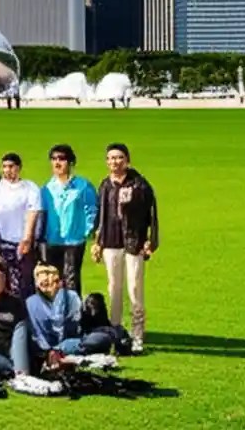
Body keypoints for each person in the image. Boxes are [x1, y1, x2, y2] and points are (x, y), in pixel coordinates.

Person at [92, 142, 158, 353]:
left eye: (119, 157)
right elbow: (100, 215)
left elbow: (152, 215)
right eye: (111, 158)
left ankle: (137, 335)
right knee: (114, 289)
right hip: (111, 241)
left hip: (134, 242)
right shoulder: (105, 185)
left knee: (135, 290)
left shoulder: (140, 185)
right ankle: (116, 332)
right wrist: (97, 241)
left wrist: (150, 240)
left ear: (127, 160)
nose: (115, 162)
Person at [26, 264, 115, 367]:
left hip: (70, 342)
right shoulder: (31, 302)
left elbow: (74, 327)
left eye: (52, 281)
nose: (48, 285)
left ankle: (62, 353)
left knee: (102, 338)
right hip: (45, 347)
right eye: (43, 283)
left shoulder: (71, 296)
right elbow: (37, 334)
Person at [41, 144, 98, 294]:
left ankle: (74, 314)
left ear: (70, 162)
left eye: (61, 158)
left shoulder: (83, 186)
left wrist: (86, 231)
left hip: (74, 240)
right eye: (53, 159)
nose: (57, 162)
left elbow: (92, 209)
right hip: (52, 240)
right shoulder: (46, 188)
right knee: (52, 280)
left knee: (71, 280)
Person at [0, 153, 41, 298]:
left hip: (22, 244)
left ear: (18, 167)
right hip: (3, 243)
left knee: (25, 284)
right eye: (4, 167)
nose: (7, 170)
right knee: (5, 283)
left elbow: (33, 212)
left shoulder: (30, 188)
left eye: (11, 166)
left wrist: (27, 238)